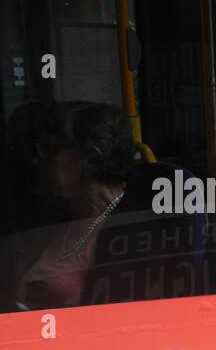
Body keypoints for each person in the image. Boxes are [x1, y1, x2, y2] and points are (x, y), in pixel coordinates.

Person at [9, 102, 135, 309]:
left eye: (48, 150)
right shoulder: (57, 223)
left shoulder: (128, 230)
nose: (36, 161)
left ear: (88, 158)